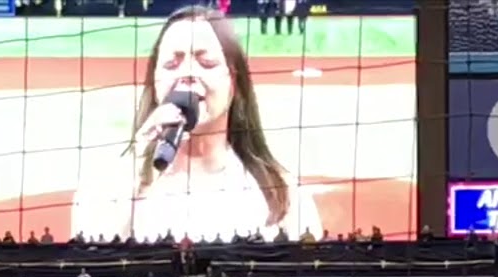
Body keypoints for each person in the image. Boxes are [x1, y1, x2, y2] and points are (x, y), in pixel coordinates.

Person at [72, 5, 322, 243]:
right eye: (172, 63)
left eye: (207, 63)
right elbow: (91, 257)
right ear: (155, 81)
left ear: (233, 82)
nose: (188, 73)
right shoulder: (103, 189)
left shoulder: (283, 194)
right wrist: (138, 163)